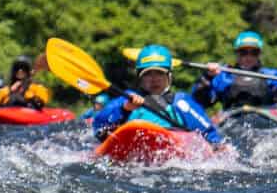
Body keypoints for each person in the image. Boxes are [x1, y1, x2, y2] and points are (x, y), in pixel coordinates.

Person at [91, 44, 226, 146]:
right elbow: (98, 126)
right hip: (132, 141)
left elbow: (210, 134)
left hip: (171, 145)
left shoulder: (180, 102)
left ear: (169, 76)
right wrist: (124, 109)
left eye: (159, 73)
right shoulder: (127, 98)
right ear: (140, 77)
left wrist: (217, 147)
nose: (154, 79)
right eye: (148, 74)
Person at [192, 30, 277, 112]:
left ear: (259, 54)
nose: (248, 57)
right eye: (244, 52)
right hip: (232, 125)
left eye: (253, 53)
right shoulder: (223, 76)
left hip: (266, 127)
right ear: (237, 54)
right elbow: (201, 101)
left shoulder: (273, 77)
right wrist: (207, 77)